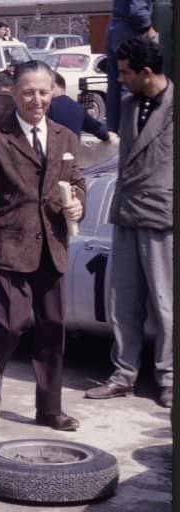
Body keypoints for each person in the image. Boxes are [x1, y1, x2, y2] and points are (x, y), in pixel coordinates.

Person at [0, 60, 86, 431]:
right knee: (9, 324)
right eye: (28, 92)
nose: (36, 99)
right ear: (14, 93)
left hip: (52, 246)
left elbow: (77, 182)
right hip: (9, 248)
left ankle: (50, 409)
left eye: (43, 91)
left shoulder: (67, 137)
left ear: (53, 92)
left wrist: (78, 202)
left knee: (52, 329)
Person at [85, 36, 173, 408]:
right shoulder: (126, 103)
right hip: (126, 213)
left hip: (163, 217)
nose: (119, 79)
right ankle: (124, 374)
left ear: (146, 72)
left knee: (166, 303)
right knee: (122, 300)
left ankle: (169, 378)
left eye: (124, 72)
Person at [105, 0, 157, 132]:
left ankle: (113, 127)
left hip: (115, 27)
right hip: (130, 29)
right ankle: (128, 130)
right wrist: (148, 27)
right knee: (130, 82)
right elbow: (136, 9)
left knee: (115, 82)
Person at [48, 71, 112, 141]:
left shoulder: (45, 107)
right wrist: (108, 136)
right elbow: (99, 129)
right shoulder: (78, 108)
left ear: (53, 86)